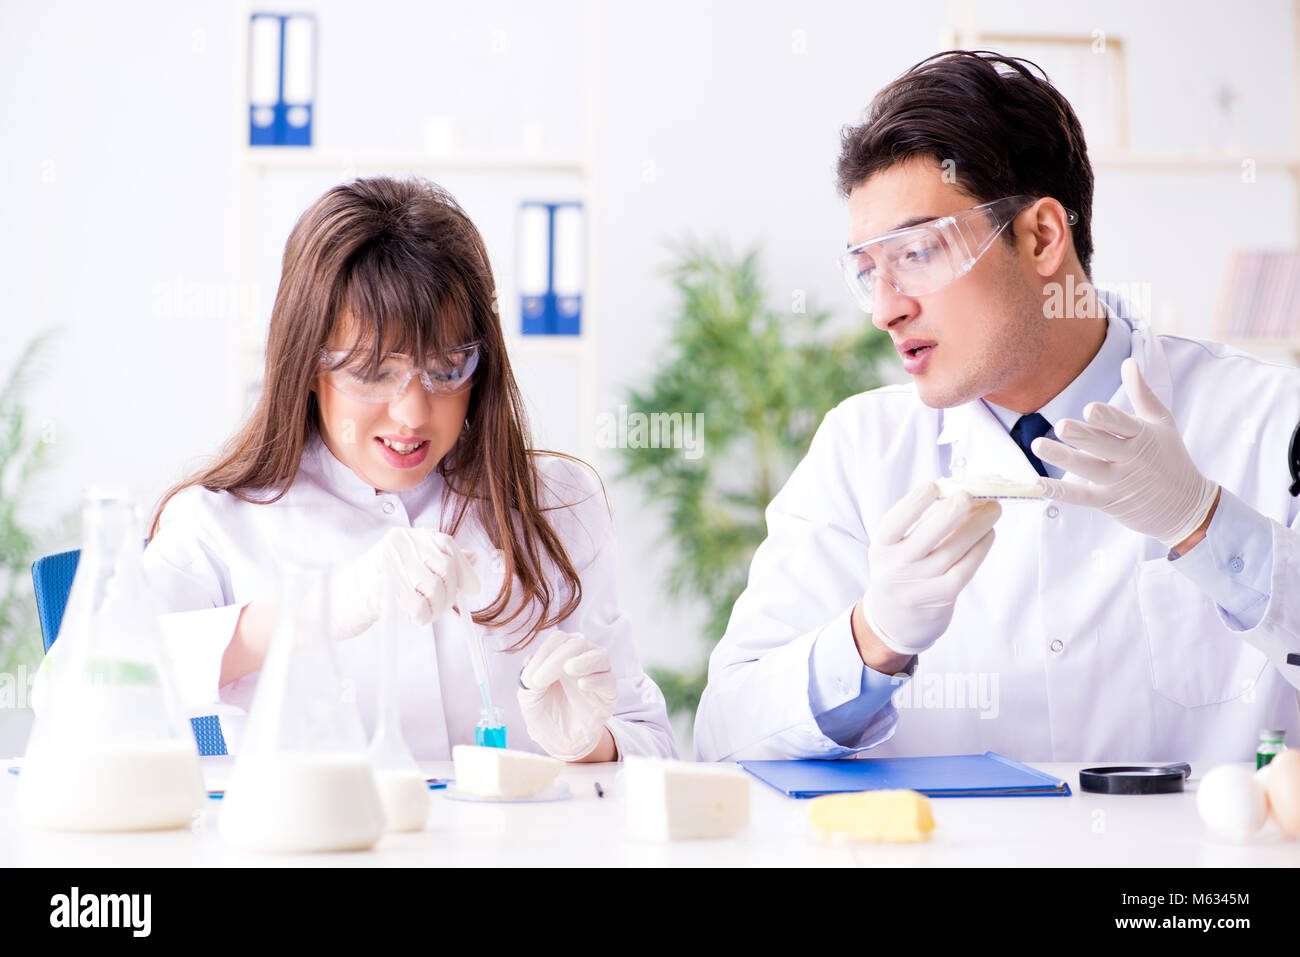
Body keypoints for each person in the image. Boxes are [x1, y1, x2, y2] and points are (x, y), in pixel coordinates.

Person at [694, 51, 1300, 764]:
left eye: (916, 251)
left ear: (1042, 237)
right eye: (867, 271)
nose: (886, 309)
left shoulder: (1269, 419)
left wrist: (1206, 525)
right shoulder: (861, 450)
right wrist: (873, 638)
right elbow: (722, 735)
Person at [138, 176, 676, 762]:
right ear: (305, 363)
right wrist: (316, 609)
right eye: (372, 372)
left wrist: (593, 743)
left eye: (447, 368)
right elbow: (79, 690)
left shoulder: (555, 505)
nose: (414, 413)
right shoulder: (219, 521)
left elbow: (655, 746)